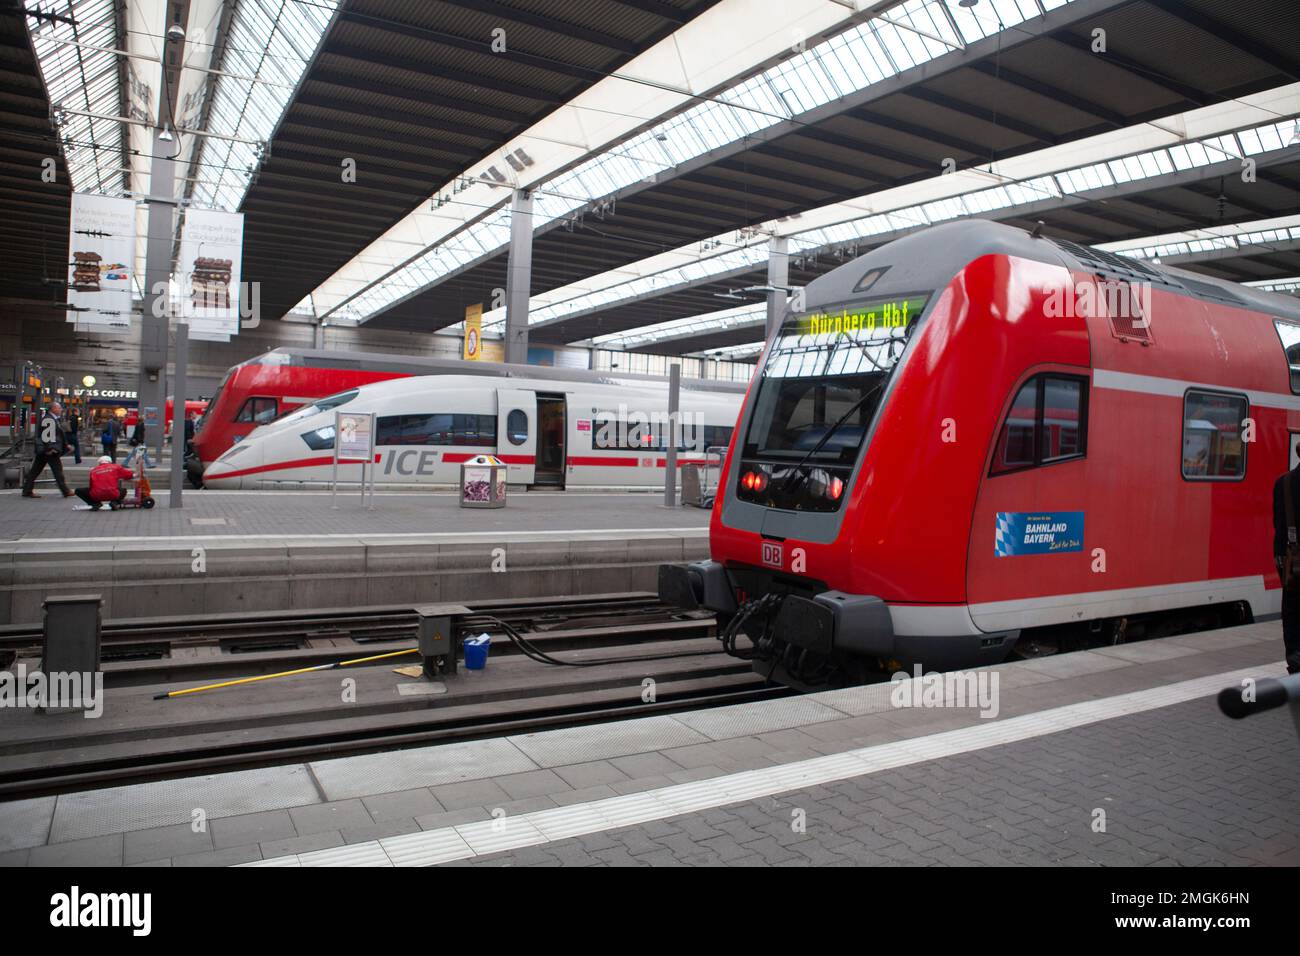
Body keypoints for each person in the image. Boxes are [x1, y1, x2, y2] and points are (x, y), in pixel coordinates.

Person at [1272, 445, 1300, 675]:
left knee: (1291, 613)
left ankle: (1295, 661)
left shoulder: (1284, 482)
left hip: (1292, 561)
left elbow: (1278, 525)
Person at [21, 402, 74, 499]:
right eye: (59, 408)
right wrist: (50, 449)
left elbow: (57, 434)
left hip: (44, 450)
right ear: (53, 409)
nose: (61, 409)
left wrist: (66, 444)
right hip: (49, 451)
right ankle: (65, 491)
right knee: (57, 471)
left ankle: (27, 490)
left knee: (35, 471)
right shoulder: (49, 419)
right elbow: (47, 436)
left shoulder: (51, 419)